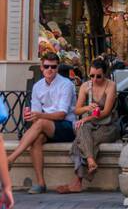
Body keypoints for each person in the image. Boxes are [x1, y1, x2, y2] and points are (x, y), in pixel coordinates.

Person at [6, 53, 77, 193]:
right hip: (47, 126)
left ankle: (11, 158)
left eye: (53, 67)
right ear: (41, 67)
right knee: (36, 140)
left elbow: (62, 114)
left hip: (67, 126)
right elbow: (36, 114)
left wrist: (38, 116)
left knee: (41, 123)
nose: (50, 69)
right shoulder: (38, 86)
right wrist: (30, 116)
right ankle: (41, 183)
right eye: (46, 66)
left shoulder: (66, 85)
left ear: (57, 68)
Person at [56, 58, 120, 193]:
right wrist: (86, 108)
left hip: (108, 126)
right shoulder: (86, 86)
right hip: (90, 125)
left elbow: (106, 112)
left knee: (80, 142)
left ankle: (77, 182)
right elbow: (77, 110)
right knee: (82, 129)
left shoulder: (111, 86)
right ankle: (91, 161)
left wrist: (86, 118)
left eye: (98, 76)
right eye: (92, 75)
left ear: (105, 74)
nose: (95, 79)